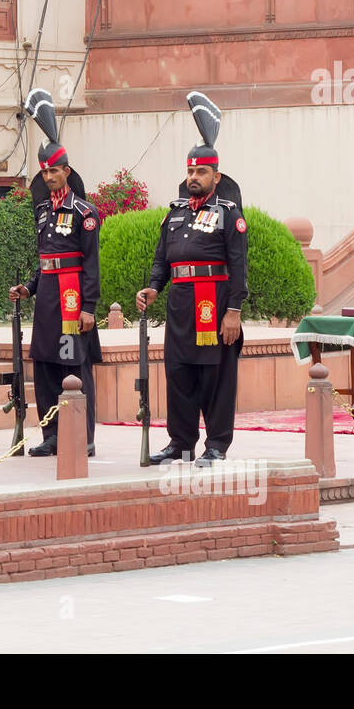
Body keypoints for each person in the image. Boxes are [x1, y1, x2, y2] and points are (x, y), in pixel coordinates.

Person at [136, 91, 248, 467]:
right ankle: (180, 443)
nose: (193, 178)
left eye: (201, 172)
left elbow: (239, 263)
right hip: (181, 306)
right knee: (179, 376)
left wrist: (233, 310)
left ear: (216, 176)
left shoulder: (229, 213)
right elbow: (161, 259)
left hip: (214, 305)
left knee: (215, 377)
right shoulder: (176, 213)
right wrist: (153, 287)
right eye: (189, 171)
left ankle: (216, 445)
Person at [8, 88, 102, 457]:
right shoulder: (43, 210)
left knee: (73, 364)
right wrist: (29, 288)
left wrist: (89, 307)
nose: (49, 175)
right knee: (46, 363)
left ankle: (84, 436)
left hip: (72, 297)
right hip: (47, 297)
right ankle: (51, 435)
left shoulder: (85, 212)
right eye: (45, 170)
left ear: (67, 171)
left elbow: (90, 263)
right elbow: (46, 258)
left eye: (55, 170)